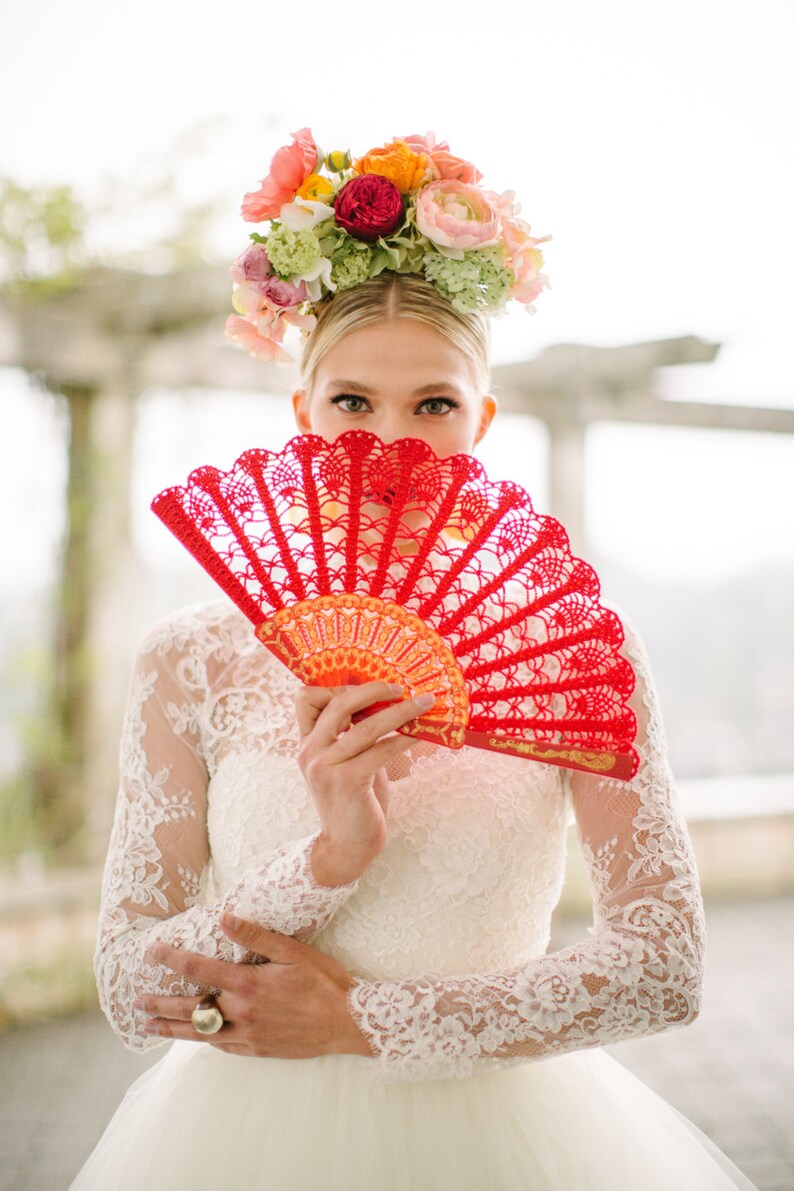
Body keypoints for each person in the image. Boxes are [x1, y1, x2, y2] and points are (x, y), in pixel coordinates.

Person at [71, 132, 756, 1189]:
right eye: (351, 403)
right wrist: (327, 859)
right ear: (302, 415)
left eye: (433, 405)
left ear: (480, 421)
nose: (388, 445)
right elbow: (128, 989)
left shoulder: (581, 651)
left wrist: (362, 1021)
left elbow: (662, 966)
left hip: (507, 1140)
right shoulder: (191, 660)